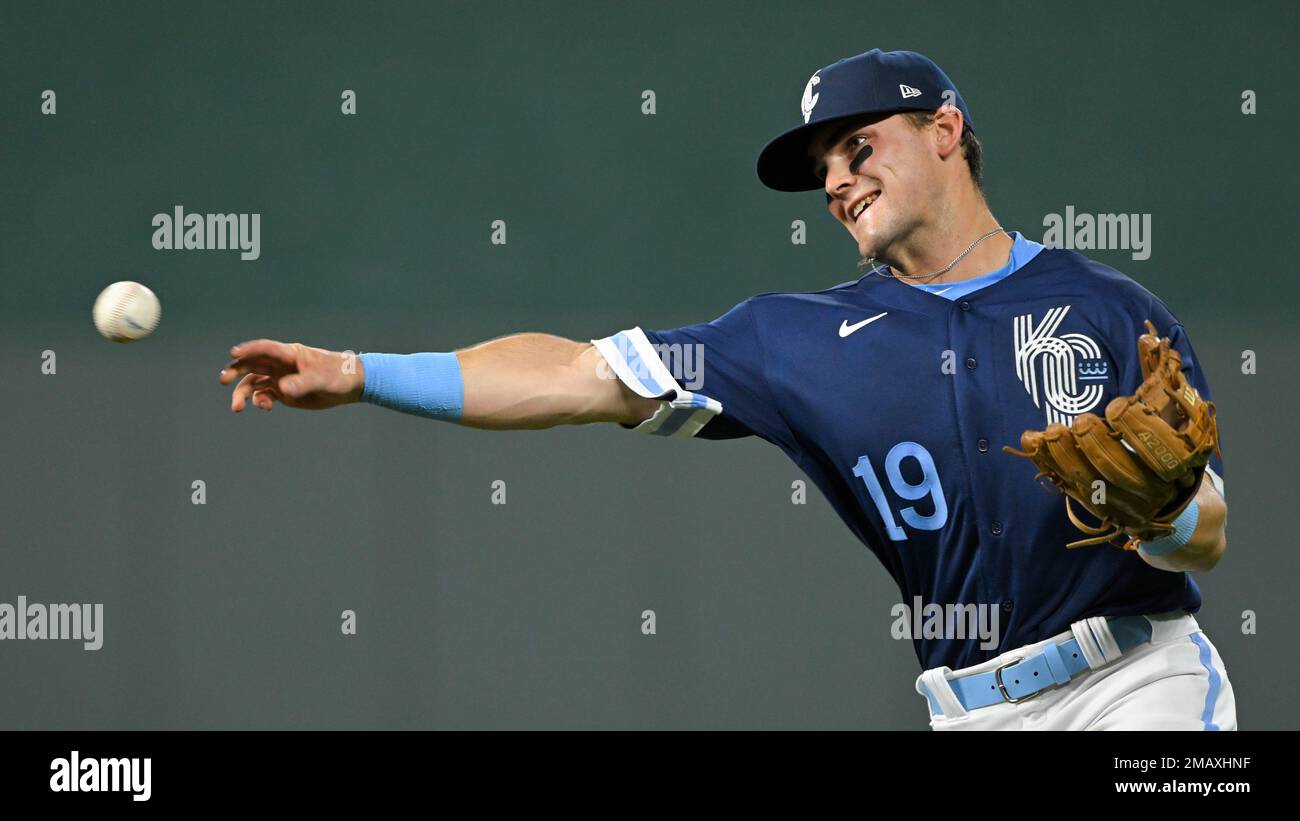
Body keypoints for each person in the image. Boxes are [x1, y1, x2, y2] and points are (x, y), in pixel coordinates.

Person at [219, 49, 1235, 730]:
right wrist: (358, 375)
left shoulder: (1106, 306)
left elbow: (1209, 534)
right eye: (821, 169)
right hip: (967, 708)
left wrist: (1163, 514)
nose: (835, 179)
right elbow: (579, 374)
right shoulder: (799, 341)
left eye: (855, 145)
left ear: (944, 130)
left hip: (1135, 682)